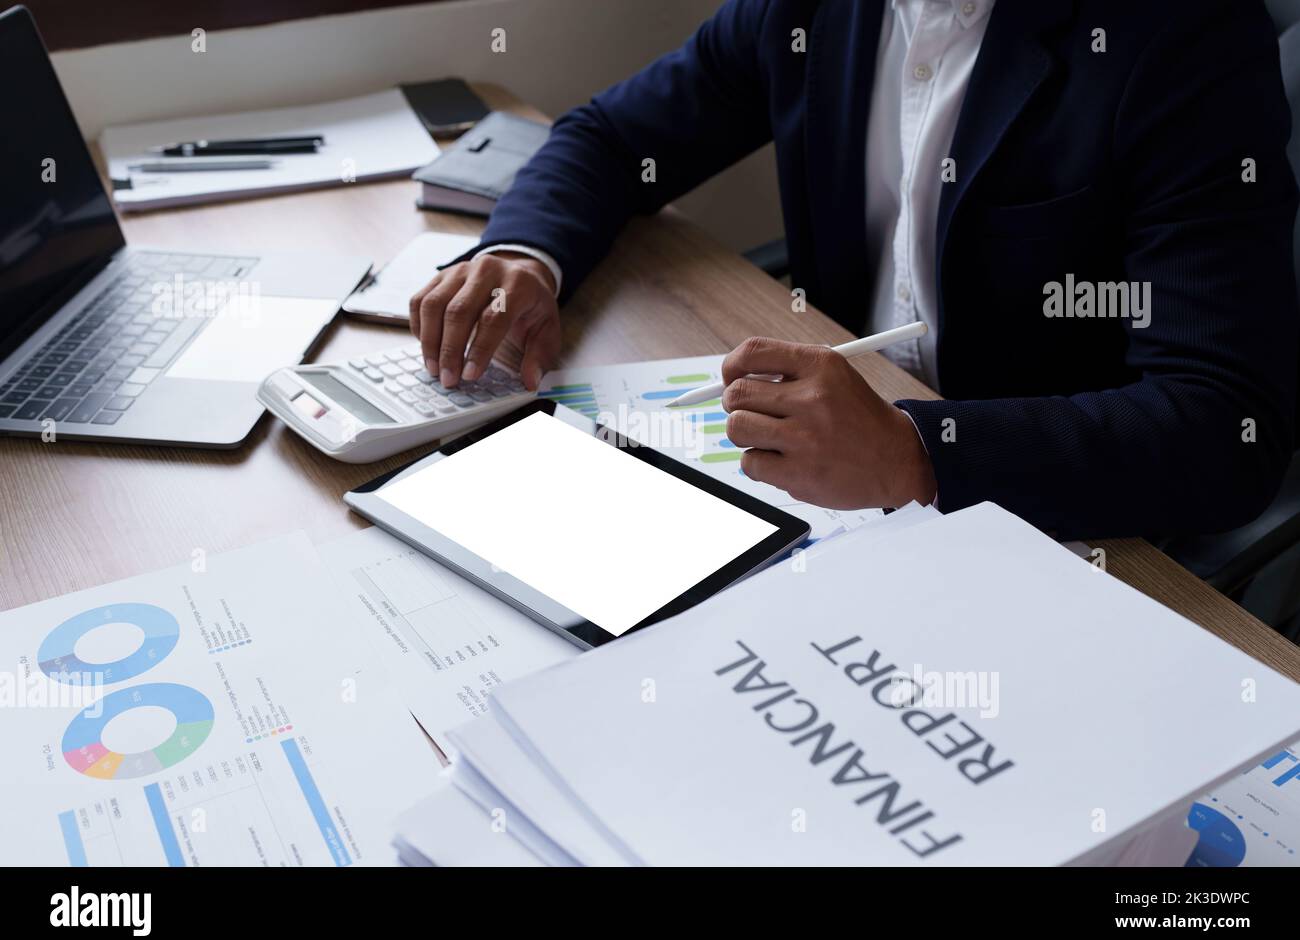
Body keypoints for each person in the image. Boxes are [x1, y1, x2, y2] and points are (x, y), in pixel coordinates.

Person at [409, 0, 1299, 540]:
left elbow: (1226, 424)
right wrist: (524, 254)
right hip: (819, 488)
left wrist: (920, 451)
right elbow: (614, 139)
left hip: (1048, 521)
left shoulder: (1181, 35)